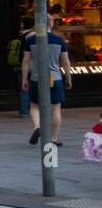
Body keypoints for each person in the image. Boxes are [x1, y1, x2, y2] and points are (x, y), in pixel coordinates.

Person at [22, 16, 72, 146]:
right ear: (51, 24)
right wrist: (68, 78)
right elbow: (65, 62)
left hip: (36, 77)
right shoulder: (59, 40)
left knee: (34, 105)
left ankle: (37, 127)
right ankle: (53, 138)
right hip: (55, 77)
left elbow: (26, 61)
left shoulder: (31, 40)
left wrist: (24, 79)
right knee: (56, 108)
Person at [8, 16, 34, 116]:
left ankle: (23, 111)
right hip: (31, 65)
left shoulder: (20, 35)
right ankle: (33, 108)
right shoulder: (33, 35)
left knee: (23, 87)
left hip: (18, 64)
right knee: (34, 87)